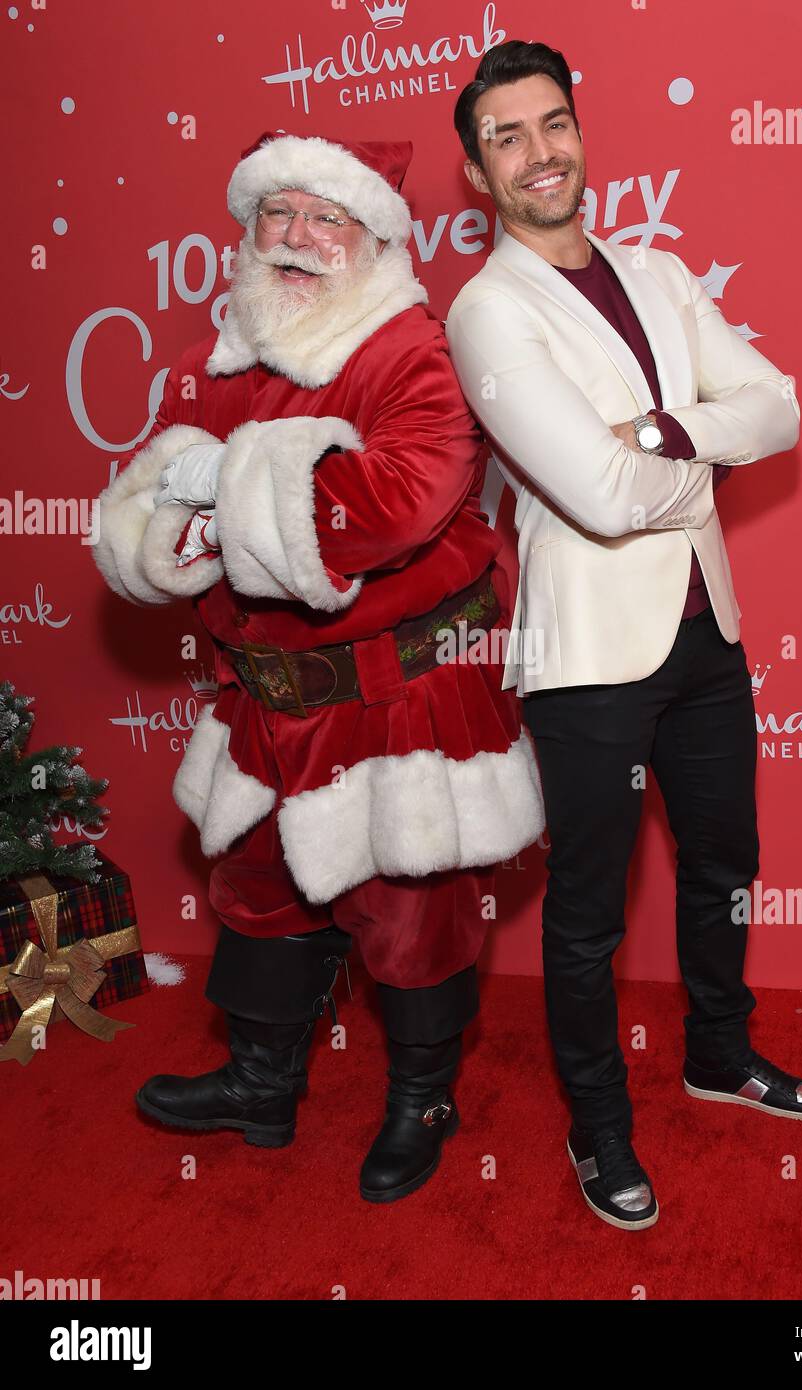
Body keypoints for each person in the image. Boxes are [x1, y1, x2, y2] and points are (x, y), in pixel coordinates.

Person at [91, 130, 545, 1203]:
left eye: (321, 217)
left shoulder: (413, 351)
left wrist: (231, 478)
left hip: (395, 696)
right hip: (270, 692)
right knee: (255, 889)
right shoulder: (233, 348)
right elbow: (160, 489)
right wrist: (179, 510)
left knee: (411, 907)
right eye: (274, 215)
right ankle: (260, 1084)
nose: (294, 238)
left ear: (372, 236)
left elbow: (395, 505)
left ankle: (422, 1100)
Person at [445, 41, 802, 1232]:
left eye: (549, 124)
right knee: (588, 913)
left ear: (579, 132)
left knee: (725, 865)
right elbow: (600, 499)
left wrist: (656, 433)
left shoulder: (660, 275)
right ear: (476, 172)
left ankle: (720, 1050)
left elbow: (778, 404)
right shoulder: (486, 310)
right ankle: (598, 1126)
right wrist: (690, 467)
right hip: (593, 664)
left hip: (703, 629)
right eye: (504, 137)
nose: (536, 153)